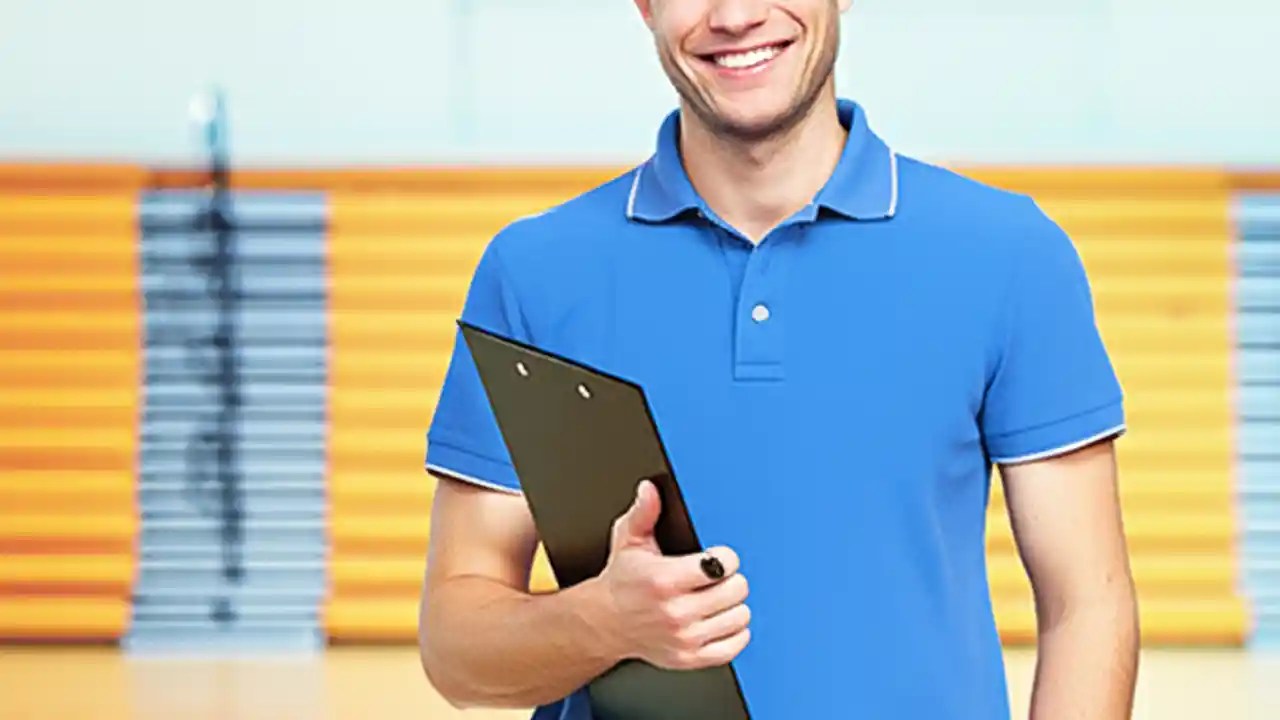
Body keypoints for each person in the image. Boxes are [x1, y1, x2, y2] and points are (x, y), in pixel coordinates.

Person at [416, 1, 1140, 718]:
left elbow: (1088, 605)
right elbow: (458, 652)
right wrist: (603, 622)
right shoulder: (536, 270)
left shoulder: (1009, 255)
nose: (734, 15)